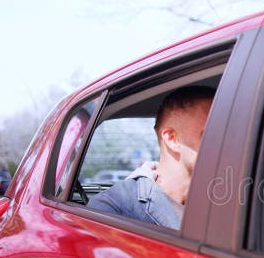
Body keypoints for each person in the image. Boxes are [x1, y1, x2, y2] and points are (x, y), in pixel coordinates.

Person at [88, 86, 214, 230]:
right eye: (211, 133)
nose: (224, 142)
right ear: (172, 140)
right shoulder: (113, 209)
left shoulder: (229, 196)